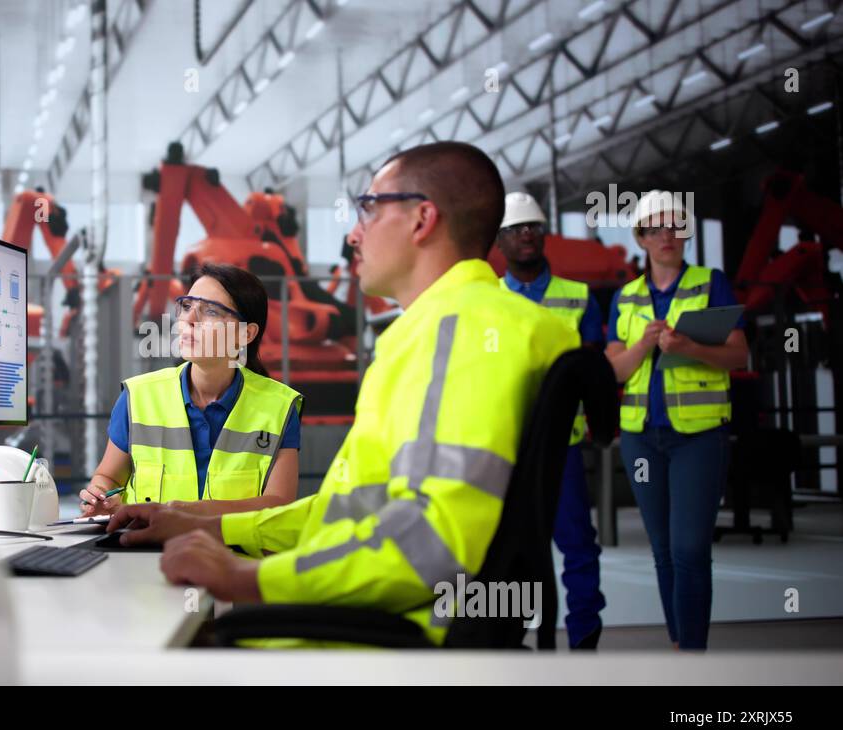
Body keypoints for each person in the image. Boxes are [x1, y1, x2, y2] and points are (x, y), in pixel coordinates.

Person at [106, 142, 578, 644]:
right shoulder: (440, 329)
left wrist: (247, 579)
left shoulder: (462, 329)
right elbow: (348, 510)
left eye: (369, 210)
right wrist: (196, 521)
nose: (354, 234)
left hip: (381, 638)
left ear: (422, 219)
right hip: (373, 619)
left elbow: (430, 543)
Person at [605, 190, 749, 651]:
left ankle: (692, 654)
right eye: (655, 228)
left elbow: (738, 354)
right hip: (641, 438)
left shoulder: (712, 283)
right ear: (642, 238)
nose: (666, 235)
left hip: (699, 437)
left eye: (675, 226)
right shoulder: (624, 298)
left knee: (689, 549)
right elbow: (615, 372)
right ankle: (678, 644)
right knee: (664, 550)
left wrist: (691, 349)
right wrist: (643, 346)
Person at [79, 263, 302, 518]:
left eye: (211, 311)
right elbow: (107, 477)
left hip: (232, 556)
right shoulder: (138, 397)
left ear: (246, 334)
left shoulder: (279, 407)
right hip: (143, 554)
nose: (189, 320)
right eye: (187, 307)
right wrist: (99, 495)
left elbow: (279, 506)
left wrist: (187, 512)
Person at [495, 192, 608, 649]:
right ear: (499, 240)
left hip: (562, 447)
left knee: (577, 545)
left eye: (534, 227)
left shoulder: (579, 298)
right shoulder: (486, 301)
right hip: (504, 449)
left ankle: (584, 644)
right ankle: (512, 640)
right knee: (510, 551)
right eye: (517, 228)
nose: (527, 233)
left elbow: (596, 372)